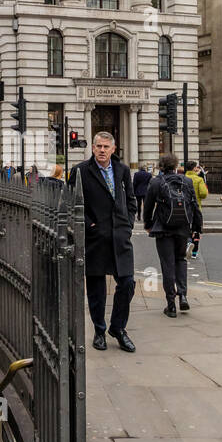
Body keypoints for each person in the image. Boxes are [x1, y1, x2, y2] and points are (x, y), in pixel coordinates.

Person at [70, 131, 135, 352]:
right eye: (98, 146)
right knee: (96, 290)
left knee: (127, 283)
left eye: (106, 147)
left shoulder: (122, 170)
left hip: (120, 237)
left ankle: (118, 328)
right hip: (95, 239)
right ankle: (99, 331)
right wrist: (89, 225)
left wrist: (128, 224)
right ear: (93, 147)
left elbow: (131, 199)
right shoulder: (80, 171)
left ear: (113, 149)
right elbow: (72, 202)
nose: (102, 150)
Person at [142, 153, 202, 317]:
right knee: (181, 260)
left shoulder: (156, 182)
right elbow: (194, 206)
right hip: (183, 228)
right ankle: (182, 295)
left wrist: (147, 224)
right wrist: (197, 229)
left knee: (167, 264)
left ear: (161, 166)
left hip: (163, 228)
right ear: (176, 166)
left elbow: (147, 206)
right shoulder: (187, 181)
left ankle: (171, 305)